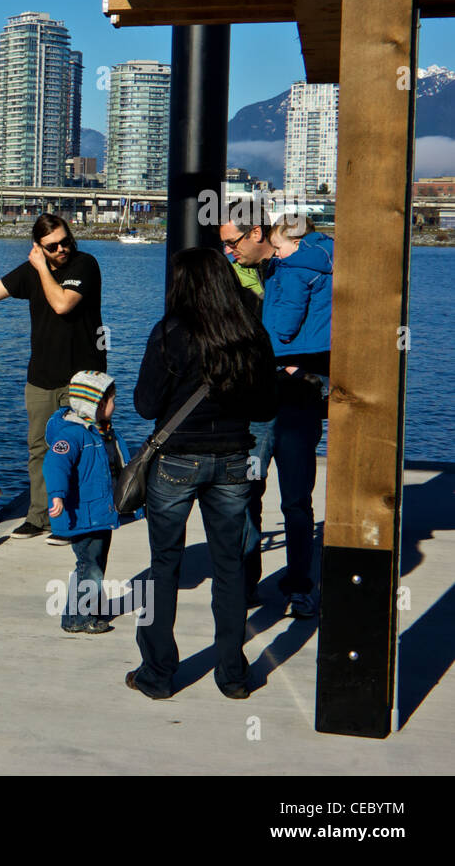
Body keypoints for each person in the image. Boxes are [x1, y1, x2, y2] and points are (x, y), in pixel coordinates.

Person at [127, 248, 278, 701]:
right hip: (232, 459)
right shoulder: (251, 333)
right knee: (230, 566)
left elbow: (145, 406)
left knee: (164, 565)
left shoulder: (169, 333)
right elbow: (267, 407)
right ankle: (232, 674)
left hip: (176, 460)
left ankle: (157, 674)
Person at [0, 213, 104, 543]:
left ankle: (75, 521)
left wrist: (41, 267)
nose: (62, 249)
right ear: (38, 247)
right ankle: (39, 516)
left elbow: (61, 305)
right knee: (39, 449)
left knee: (78, 450)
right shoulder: (31, 272)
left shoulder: (85, 265)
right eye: (53, 246)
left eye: (66, 241)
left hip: (82, 379)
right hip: (41, 377)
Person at [262, 216, 334, 618]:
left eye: (277, 245)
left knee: (254, 488)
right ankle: (300, 582)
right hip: (311, 381)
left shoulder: (293, 270)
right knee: (298, 497)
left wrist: (267, 348)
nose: (274, 253)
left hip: (284, 379)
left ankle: (266, 582)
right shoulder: (328, 260)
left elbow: (284, 327)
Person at [219, 208, 278, 605]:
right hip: (245, 395)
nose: (228, 251)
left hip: (284, 394)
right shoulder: (231, 276)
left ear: (256, 232)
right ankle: (244, 582)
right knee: (245, 489)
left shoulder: (287, 271)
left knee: (291, 495)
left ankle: (301, 585)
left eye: (232, 243)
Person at [43, 371, 131, 634]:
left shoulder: (103, 433)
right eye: (112, 400)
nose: (116, 405)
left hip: (101, 513)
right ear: (96, 404)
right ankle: (76, 618)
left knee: (95, 563)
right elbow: (55, 463)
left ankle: (87, 606)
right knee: (88, 564)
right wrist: (56, 494)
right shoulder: (73, 435)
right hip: (84, 515)